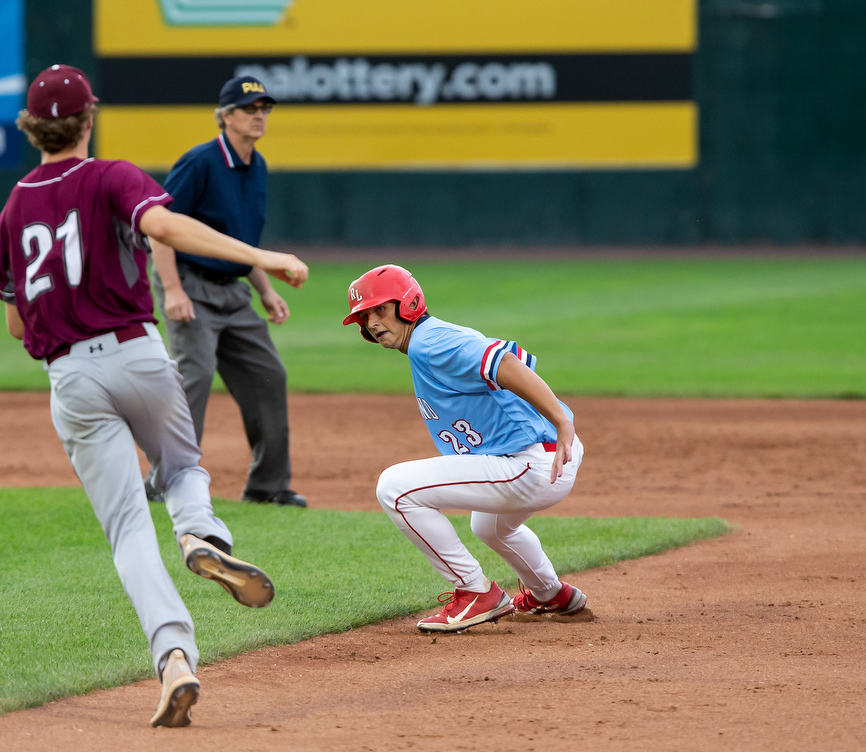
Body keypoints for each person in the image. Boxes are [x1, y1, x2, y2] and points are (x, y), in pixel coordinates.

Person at [0, 65, 308, 727]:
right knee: (181, 468)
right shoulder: (110, 176)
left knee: (126, 534)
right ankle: (201, 534)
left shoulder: (14, 208)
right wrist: (270, 259)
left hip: (71, 379)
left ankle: (173, 656)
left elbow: (17, 322)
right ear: (88, 119)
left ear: (33, 128)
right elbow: (167, 229)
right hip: (137, 353)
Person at [342, 264, 588, 633]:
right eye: (365, 315)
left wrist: (562, 419)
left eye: (380, 309)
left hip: (533, 462)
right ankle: (550, 593)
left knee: (395, 487)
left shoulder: (430, 341)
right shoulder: (426, 342)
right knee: (489, 526)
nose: (373, 322)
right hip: (540, 460)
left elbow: (504, 361)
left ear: (408, 303)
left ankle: (475, 592)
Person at [146, 74, 306, 508]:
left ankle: (267, 485)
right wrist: (173, 290)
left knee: (268, 376)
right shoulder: (200, 162)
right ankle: (165, 482)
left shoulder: (258, 165)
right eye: (249, 109)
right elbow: (158, 229)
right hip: (189, 282)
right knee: (192, 379)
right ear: (225, 116)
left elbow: (240, 241)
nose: (259, 116)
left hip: (232, 288)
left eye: (264, 109)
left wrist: (265, 290)